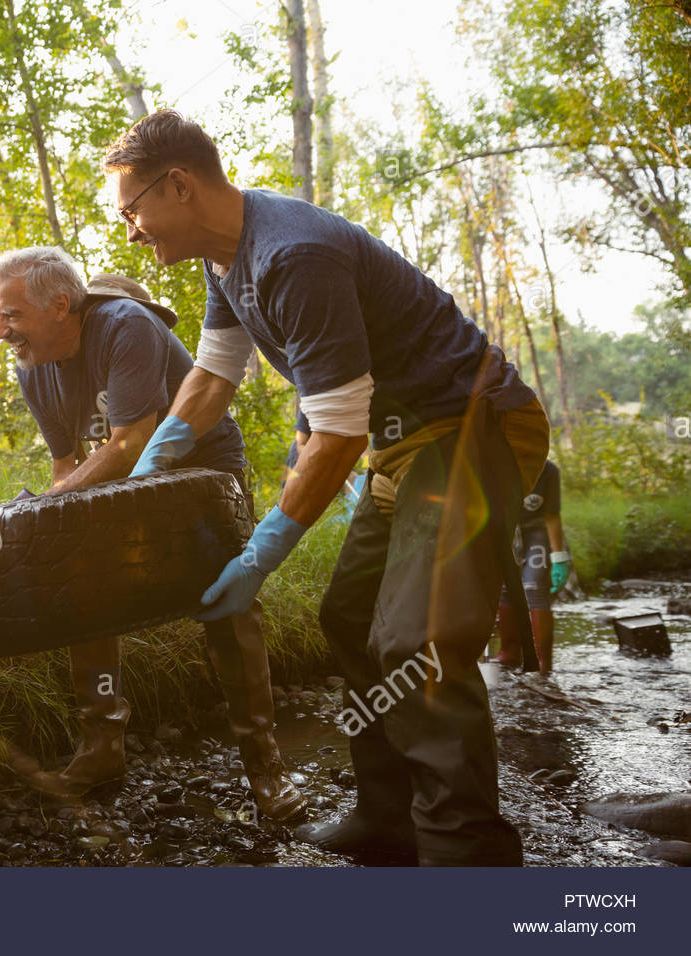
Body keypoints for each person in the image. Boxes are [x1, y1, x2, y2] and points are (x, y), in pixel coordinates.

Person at [108, 109, 549, 865]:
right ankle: (390, 818)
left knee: (417, 641)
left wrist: (260, 555)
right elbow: (214, 374)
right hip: (402, 448)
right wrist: (153, 463)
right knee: (350, 617)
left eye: (132, 211)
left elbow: (336, 430)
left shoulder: (292, 255)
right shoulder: (228, 259)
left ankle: (467, 857)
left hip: (467, 428)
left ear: (177, 185)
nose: (131, 233)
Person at [0, 246, 306, 822]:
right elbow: (67, 465)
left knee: (225, 603)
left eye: (9, 315)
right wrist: (57, 515)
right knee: (81, 588)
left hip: (202, 475)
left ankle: (266, 767)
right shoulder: (31, 367)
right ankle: (102, 746)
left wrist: (52, 504)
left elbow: (132, 442)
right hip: (122, 477)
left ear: (60, 304)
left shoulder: (124, 325)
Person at [493, 458, 569, 673]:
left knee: (534, 587)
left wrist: (559, 558)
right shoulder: (495, 465)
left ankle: (542, 663)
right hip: (505, 531)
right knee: (505, 588)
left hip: (537, 532)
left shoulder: (548, 470)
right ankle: (509, 653)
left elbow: (552, 516)